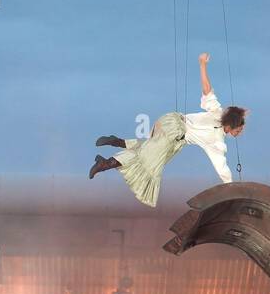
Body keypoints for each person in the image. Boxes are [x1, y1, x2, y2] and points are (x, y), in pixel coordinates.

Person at [89, 52, 246, 207]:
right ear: (230, 126)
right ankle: (105, 164)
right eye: (238, 130)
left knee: (147, 149)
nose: (239, 133)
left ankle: (116, 141)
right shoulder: (216, 141)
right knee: (147, 161)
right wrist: (231, 187)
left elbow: (207, 89)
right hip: (175, 133)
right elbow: (221, 165)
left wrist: (202, 64)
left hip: (170, 122)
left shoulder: (217, 111)